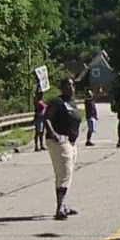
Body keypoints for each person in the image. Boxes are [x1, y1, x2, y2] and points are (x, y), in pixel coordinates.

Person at [46, 77, 83, 220]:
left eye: (72, 85)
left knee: (64, 174)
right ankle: (60, 207)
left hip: (72, 142)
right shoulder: (57, 102)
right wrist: (54, 133)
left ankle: (64, 204)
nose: (71, 88)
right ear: (62, 87)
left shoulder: (72, 103)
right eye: (68, 85)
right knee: (65, 172)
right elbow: (47, 118)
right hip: (60, 140)